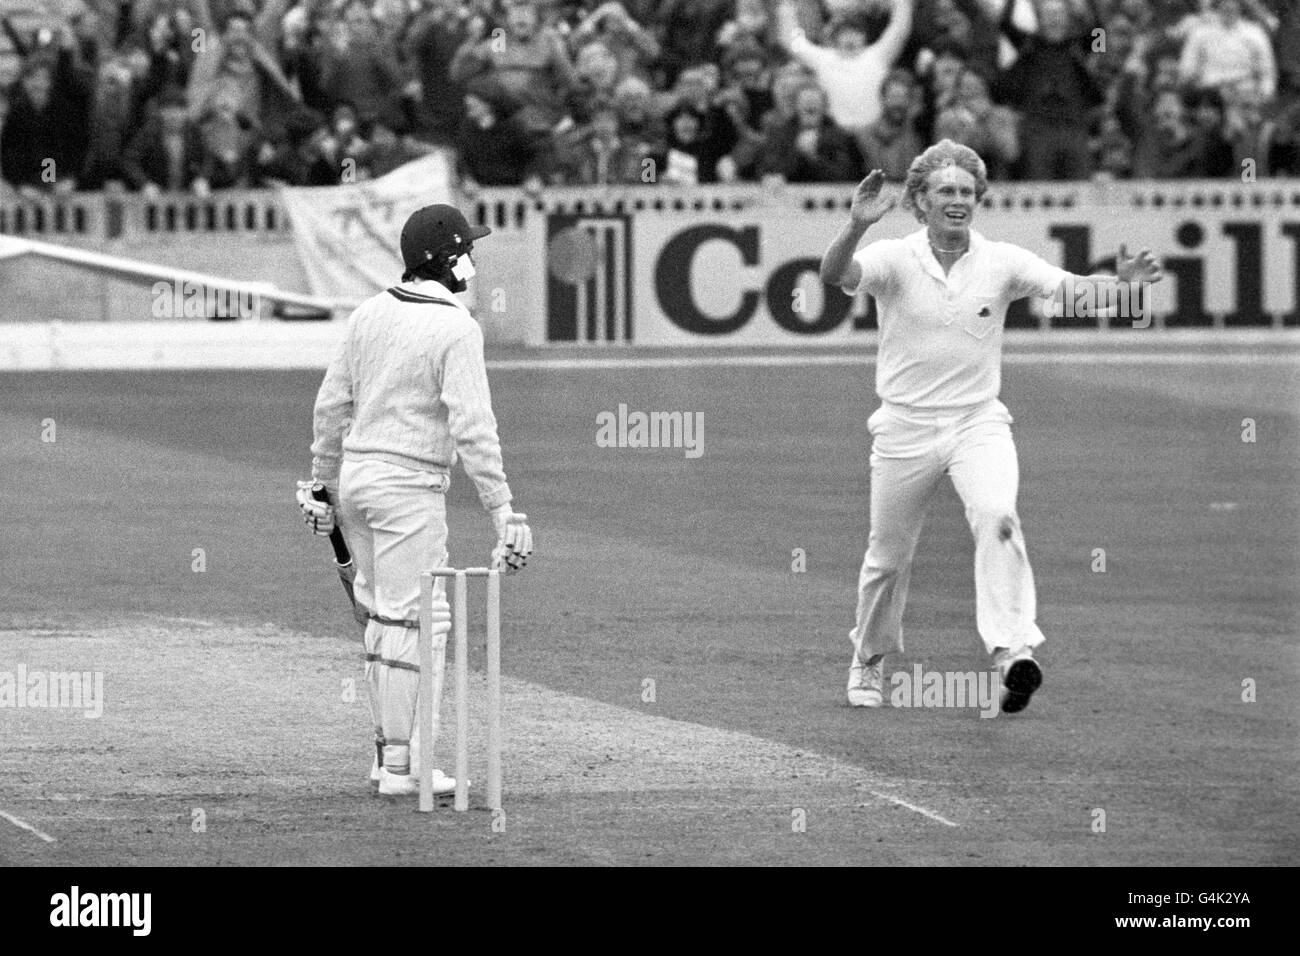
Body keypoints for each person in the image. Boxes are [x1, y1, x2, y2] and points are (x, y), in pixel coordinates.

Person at [817, 141, 1163, 714]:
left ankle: (1011, 651)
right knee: (889, 556)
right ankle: (869, 660)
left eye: (966, 192)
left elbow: (1068, 291)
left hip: (978, 422)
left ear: (978, 199)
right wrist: (854, 226)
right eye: (944, 191)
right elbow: (835, 275)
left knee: (999, 517)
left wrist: (1123, 288)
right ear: (920, 201)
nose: (957, 201)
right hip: (904, 426)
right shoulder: (895, 257)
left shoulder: (1002, 260)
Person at [297, 204, 533, 798]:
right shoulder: (455, 328)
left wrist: (321, 484)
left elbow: (331, 406)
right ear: (450, 260)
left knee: (384, 618)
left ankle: (387, 758)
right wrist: (502, 508)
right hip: (408, 488)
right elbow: (473, 425)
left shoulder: (368, 314)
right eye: (469, 252)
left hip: (358, 482)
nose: (475, 263)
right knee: (420, 621)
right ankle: (406, 768)